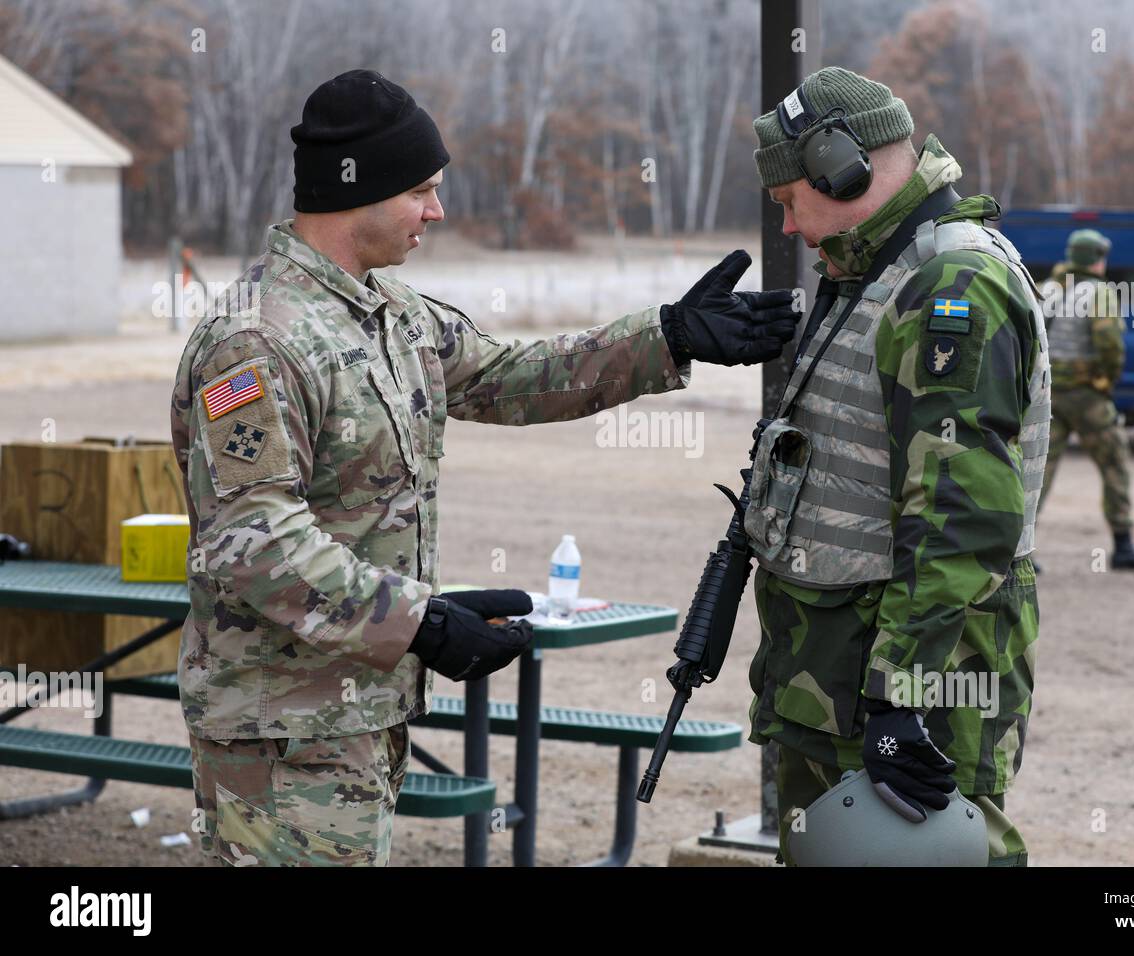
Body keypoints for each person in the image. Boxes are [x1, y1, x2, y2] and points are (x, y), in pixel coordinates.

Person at [170, 69, 797, 866]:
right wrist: (421, 622)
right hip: (279, 726)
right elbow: (255, 544)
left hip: (351, 710)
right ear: (356, 188)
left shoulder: (390, 314)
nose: (437, 211)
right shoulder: (257, 339)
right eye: (421, 190)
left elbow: (510, 376)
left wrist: (669, 335)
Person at [744, 66, 1049, 866]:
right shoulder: (872, 271)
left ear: (838, 165)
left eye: (788, 202)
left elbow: (963, 518)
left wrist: (898, 696)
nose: (787, 228)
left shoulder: (951, 284)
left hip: (903, 686)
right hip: (839, 674)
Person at [1037, 229, 1134, 570]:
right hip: (1087, 396)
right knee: (1114, 464)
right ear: (1098, 259)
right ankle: (1124, 546)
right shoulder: (1100, 292)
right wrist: (1107, 380)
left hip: (1046, 396)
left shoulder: (1046, 288)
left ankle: (1021, 553)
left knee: (1038, 469)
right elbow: (1110, 342)